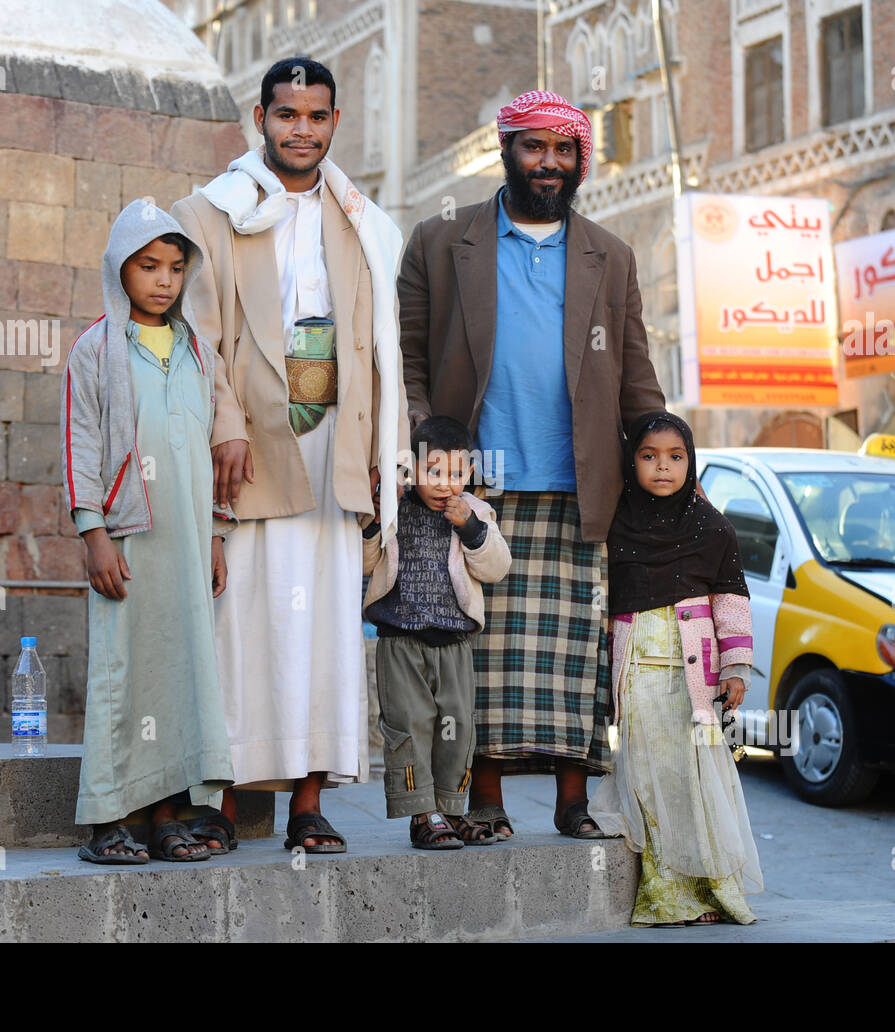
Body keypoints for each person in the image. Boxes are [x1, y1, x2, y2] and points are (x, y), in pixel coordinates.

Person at [397, 89, 666, 840]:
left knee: (571, 660)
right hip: (473, 486)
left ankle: (572, 803)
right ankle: (483, 802)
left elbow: (638, 376)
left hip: (581, 487)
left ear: (581, 158)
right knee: (474, 659)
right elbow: (409, 358)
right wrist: (428, 443)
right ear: (506, 151)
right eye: (533, 146)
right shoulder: (440, 241)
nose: (549, 161)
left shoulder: (610, 256)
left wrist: (660, 462)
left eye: (564, 149)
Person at [171, 57, 409, 854]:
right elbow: (197, 336)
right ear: (259, 118)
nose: (301, 130)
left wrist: (379, 450)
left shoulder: (362, 221)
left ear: (335, 122)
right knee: (240, 622)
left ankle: (309, 803)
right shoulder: (211, 214)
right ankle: (223, 803)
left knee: (328, 630)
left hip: (336, 448)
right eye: (286, 115)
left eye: (315, 116)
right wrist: (224, 424)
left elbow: (376, 350)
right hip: (248, 450)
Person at [63, 199, 235, 864]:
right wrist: (92, 532)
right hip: (129, 541)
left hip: (190, 541)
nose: (163, 280)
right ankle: (109, 818)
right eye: (147, 266)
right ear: (120, 270)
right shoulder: (96, 348)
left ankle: (167, 815)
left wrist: (218, 532)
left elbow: (215, 447)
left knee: (180, 671)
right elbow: (79, 441)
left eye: (174, 267)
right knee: (123, 672)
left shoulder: (198, 349)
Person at [589, 411, 763, 925]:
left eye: (675, 457)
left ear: (691, 462)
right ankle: (668, 896)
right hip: (638, 672)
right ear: (631, 462)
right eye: (648, 457)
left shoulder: (713, 528)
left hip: (694, 679)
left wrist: (736, 668)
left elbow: (731, 603)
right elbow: (603, 599)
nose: (662, 468)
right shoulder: (616, 523)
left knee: (697, 779)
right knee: (651, 777)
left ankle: (713, 892)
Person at [361, 416, 512, 849]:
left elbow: (496, 567)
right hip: (401, 639)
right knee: (410, 724)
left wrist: (470, 528)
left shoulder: (477, 511)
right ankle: (421, 813)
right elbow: (367, 561)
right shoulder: (394, 507)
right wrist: (374, 521)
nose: (446, 484)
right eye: (434, 472)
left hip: (454, 642)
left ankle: (450, 809)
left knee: (457, 726)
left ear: (469, 472)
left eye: (456, 473)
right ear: (411, 470)